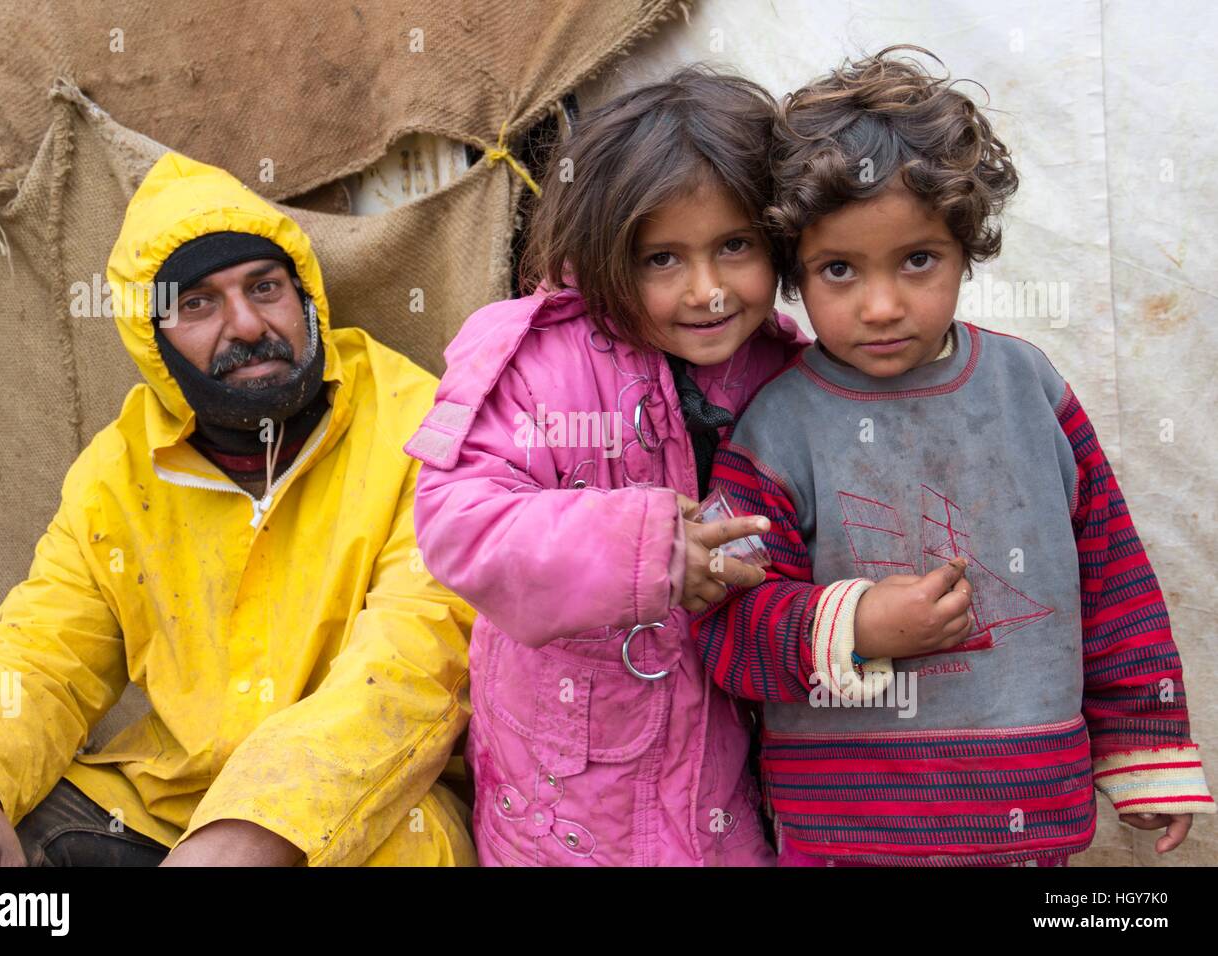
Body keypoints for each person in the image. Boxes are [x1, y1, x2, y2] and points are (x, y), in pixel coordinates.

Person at [693, 47, 1214, 866]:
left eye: (918, 260)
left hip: (1026, 819)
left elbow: (1113, 578)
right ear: (793, 273)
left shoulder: (1026, 387)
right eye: (838, 270)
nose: (882, 305)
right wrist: (856, 625)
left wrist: (1145, 748)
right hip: (849, 832)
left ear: (966, 248)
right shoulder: (777, 426)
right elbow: (723, 632)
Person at [0, 152, 476, 866]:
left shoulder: (420, 426)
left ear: (305, 294)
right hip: (164, 816)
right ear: (152, 340)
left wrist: (252, 829)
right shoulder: (119, 470)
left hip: (350, 815)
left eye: (265, 287)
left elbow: (415, 665)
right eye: (198, 304)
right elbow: (43, 653)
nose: (246, 326)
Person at [405, 68, 809, 866]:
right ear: (606, 250)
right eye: (663, 258)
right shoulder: (540, 360)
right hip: (567, 800)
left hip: (728, 781)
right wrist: (640, 550)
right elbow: (458, 522)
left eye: (735, 246)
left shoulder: (785, 368)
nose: (707, 290)